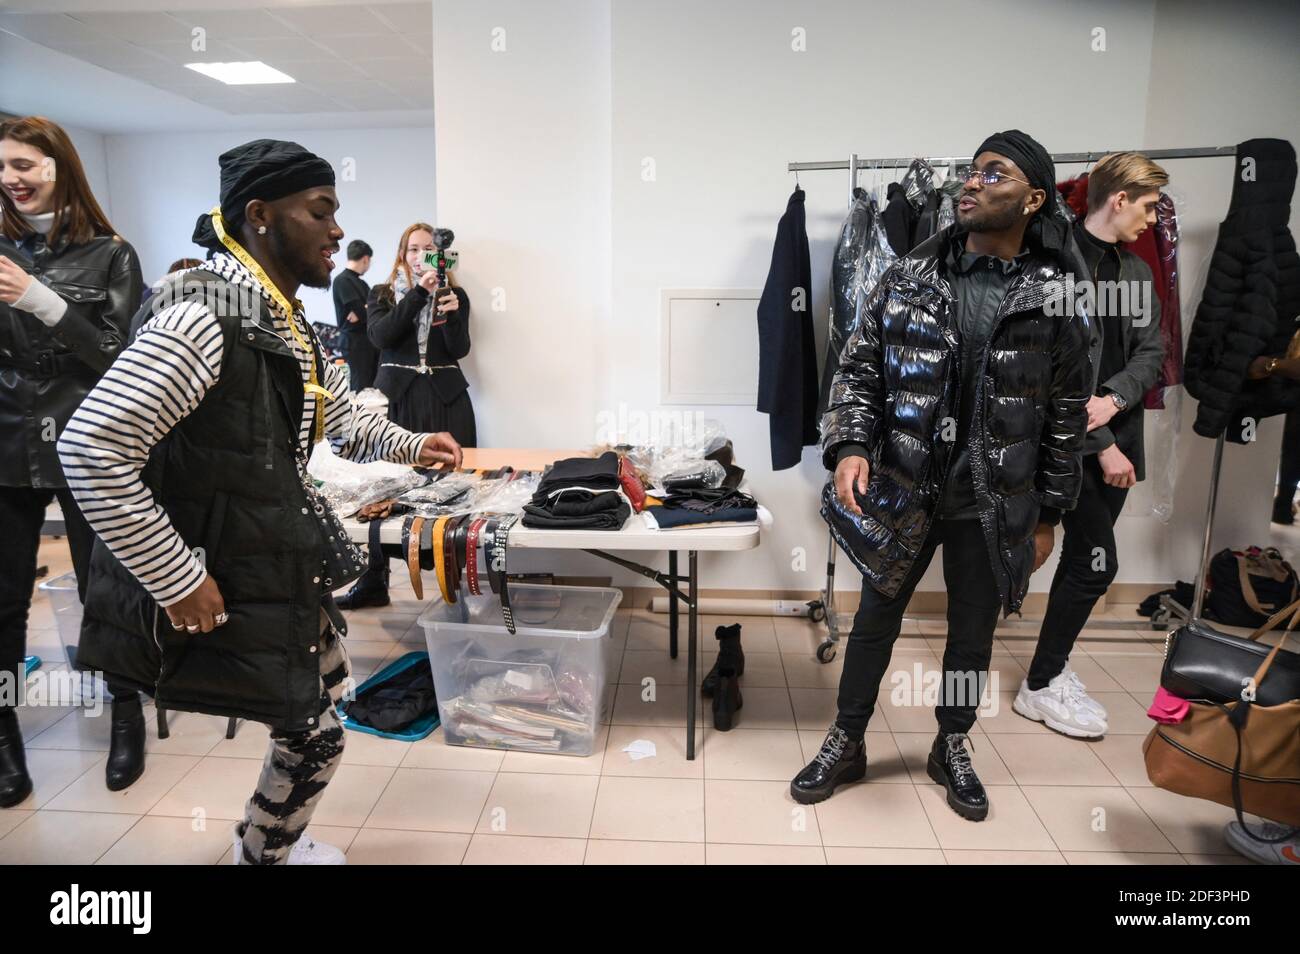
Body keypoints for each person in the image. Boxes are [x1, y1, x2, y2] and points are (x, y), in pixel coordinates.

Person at [56, 139, 462, 864]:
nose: (338, 230)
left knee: (315, 719)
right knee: (314, 736)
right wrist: (176, 578)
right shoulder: (201, 319)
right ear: (260, 215)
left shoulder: (280, 316)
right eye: (321, 211)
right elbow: (89, 448)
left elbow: (336, 414)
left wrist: (410, 444)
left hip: (269, 557)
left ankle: (264, 848)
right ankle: (262, 856)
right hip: (218, 566)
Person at [791, 130, 1094, 821]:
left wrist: (1050, 514)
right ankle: (849, 737)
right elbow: (859, 369)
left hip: (992, 497)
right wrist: (848, 448)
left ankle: (950, 744)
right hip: (901, 484)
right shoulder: (907, 276)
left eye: (994, 174)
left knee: (971, 633)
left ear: (1034, 198)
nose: (971, 183)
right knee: (874, 619)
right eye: (972, 172)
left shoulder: (1057, 297)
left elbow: (1066, 415)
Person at [0, 116, 144, 807]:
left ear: (61, 167)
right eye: (1, 167)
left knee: (105, 590)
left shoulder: (111, 254)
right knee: (2, 602)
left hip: (88, 443)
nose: (11, 179)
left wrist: (41, 300)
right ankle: (3, 734)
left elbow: (119, 356)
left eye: (25, 165)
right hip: (4, 444)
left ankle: (125, 712)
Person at [1015, 152, 1167, 739]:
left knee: (1085, 560)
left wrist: (1113, 400)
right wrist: (1099, 437)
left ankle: (1048, 674)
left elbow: (1153, 351)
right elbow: (1046, 365)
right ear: (1119, 198)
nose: (1153, 219)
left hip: (1115, 442)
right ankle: (1042, 681)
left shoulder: (1136, 274)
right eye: (1148, 206)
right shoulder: (1050, 260)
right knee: (1090, 560)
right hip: (1061, 444)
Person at [335, 222, 475, 610]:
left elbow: (459, 349)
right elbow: (381, 337)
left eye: (428, 249)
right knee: (382, 487)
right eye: (413, 249)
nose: (420, 256)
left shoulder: (455, 293)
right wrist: (418, 293)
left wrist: (452, 313)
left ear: (440, 255)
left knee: (453, 486)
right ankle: (374, 580)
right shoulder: (381, 293)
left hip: (446, 398)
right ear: (402, 254)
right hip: (395, 400)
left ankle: (456, 582)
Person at [332, 239, 376, 390]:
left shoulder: (362, 284)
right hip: (354, 343)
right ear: (365, 259)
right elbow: (361, 312)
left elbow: (373, 310)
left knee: (371, 385)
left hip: (367, 341)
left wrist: (364, 309)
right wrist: (363, 309)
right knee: (360, 385)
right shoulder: (342, 280)